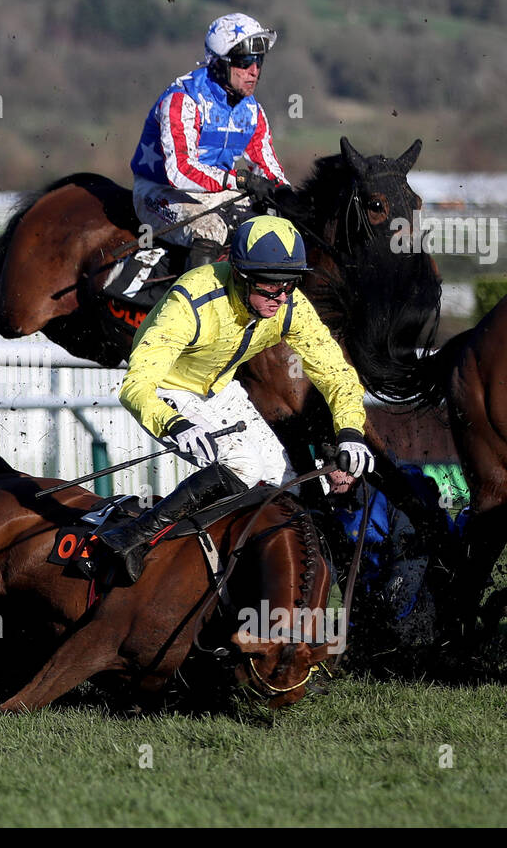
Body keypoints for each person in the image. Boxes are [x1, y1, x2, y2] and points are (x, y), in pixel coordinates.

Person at [98, 214, 375, 584]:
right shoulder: (191, 299)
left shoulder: (290, 304)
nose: (279, 298)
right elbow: (137, 384)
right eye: (268, 288)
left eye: (289, 286)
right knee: (244, 464)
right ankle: (129, 540)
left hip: (223, 391)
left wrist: (351, 431)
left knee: (293, 482)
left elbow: (336, 373)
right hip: (167, 389)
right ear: (241, 277)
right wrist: (174, 422)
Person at [123, 12, 290, 298]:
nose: (255, 70)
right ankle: (190, 309)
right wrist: (239, 180)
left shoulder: (253, 111)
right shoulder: (183, 99)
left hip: (215, 192)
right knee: (210, 229)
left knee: (274, 225)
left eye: (259, 61)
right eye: (245, 62)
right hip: (160, 190)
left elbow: (269, 167)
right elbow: (180, 170)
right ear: (220, 62)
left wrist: (286, 195)